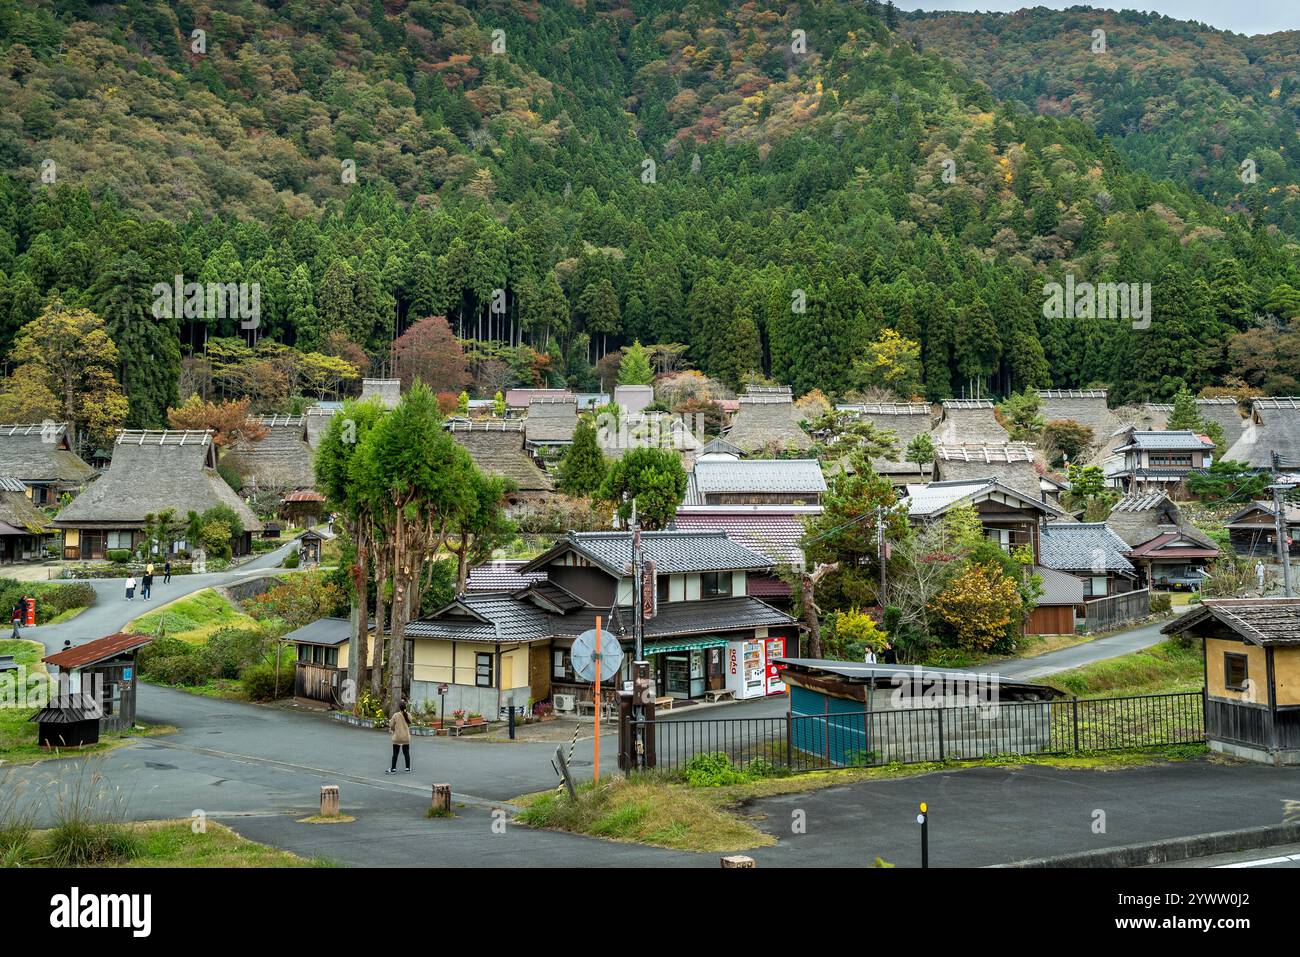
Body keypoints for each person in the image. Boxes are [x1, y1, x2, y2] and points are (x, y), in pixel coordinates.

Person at [387, 699, 412, 774]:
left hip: (397, 737)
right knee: (406, 753)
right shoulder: (408, 715)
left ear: (399, 707)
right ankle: (407, 768)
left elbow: (391, 725)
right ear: (405, 707)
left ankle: (393, 768)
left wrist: (393, 729)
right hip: (406, 737)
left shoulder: (396, 715)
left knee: (395, 754)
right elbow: (410, 722)